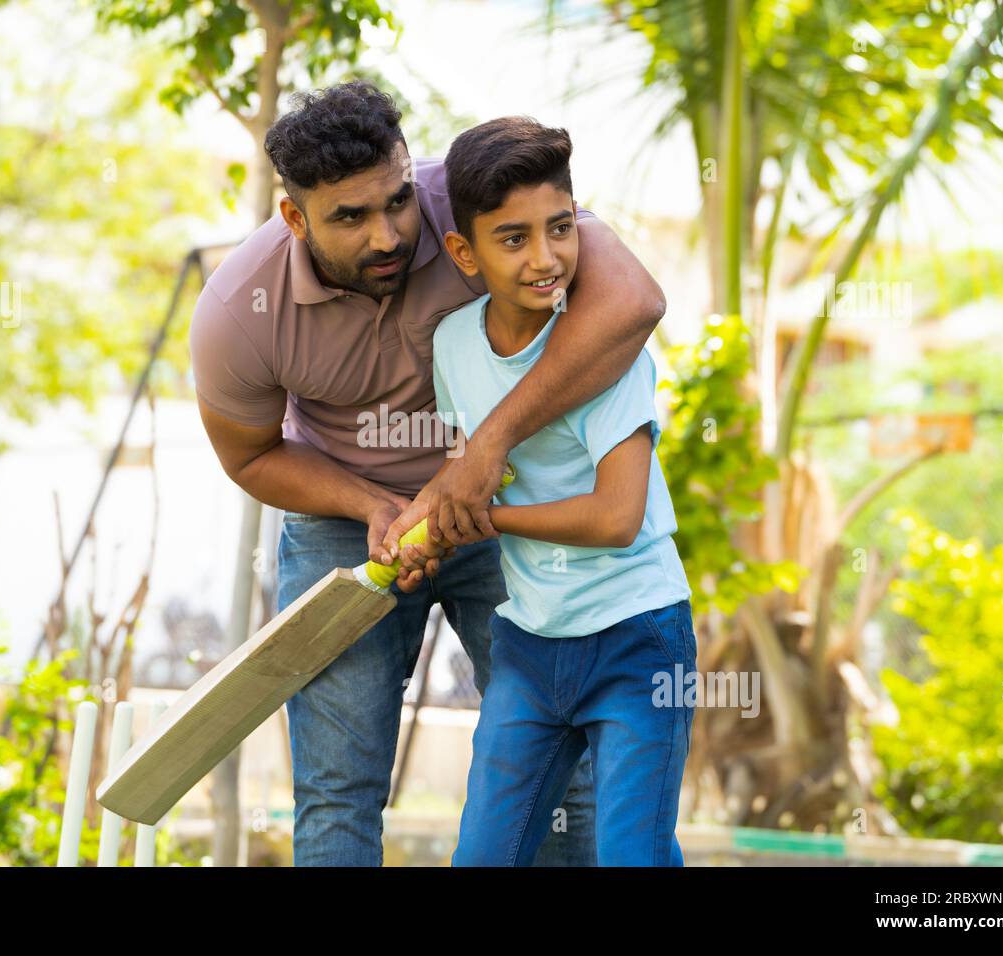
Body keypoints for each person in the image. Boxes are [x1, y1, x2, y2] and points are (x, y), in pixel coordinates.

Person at [189, 81, 668, 866]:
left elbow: (634, 300)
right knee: (339, 788)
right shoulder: (240, 312)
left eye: (398, 200)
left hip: (504, 509)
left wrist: (484, 455)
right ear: (295, 218)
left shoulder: (476, 202)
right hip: (346, 525)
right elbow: (251, 455)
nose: (389, 235)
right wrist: (378, 506)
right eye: (350, 217)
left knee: (566, 767)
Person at [417, 115, 695, 865]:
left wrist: (487, 519)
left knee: (633, 854)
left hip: (638, 640)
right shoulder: (452, 344)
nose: (547, 258)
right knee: (484, 856)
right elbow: (473, 466)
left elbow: (615, 517)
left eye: (561, 228)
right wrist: (420, 522)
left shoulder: (606, 351)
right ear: (463, 253)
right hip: (530, 646)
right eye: (514, 239)